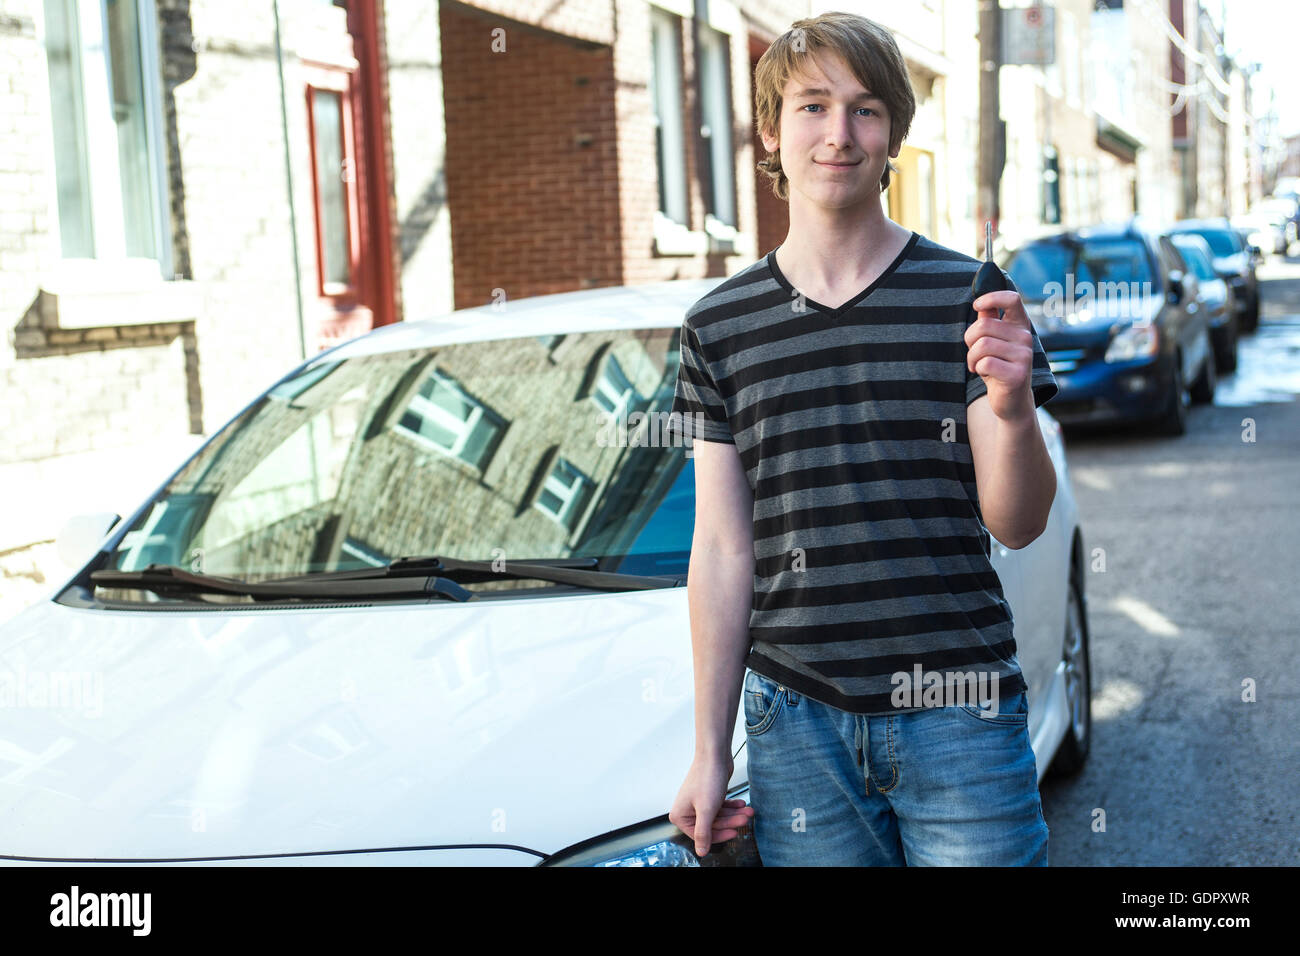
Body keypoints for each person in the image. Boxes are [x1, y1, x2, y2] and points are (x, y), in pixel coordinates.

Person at [665, 10, 1059, 866]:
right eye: (812, 106)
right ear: (772, 131)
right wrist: (708, 750)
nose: (839, 133)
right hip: (795, 726)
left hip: (958, 709)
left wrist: (1013, 406)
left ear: (893, 136)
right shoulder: (717, 326)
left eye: (865, 109)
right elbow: (723, 548)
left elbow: (1019, 522)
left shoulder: (972, 297)